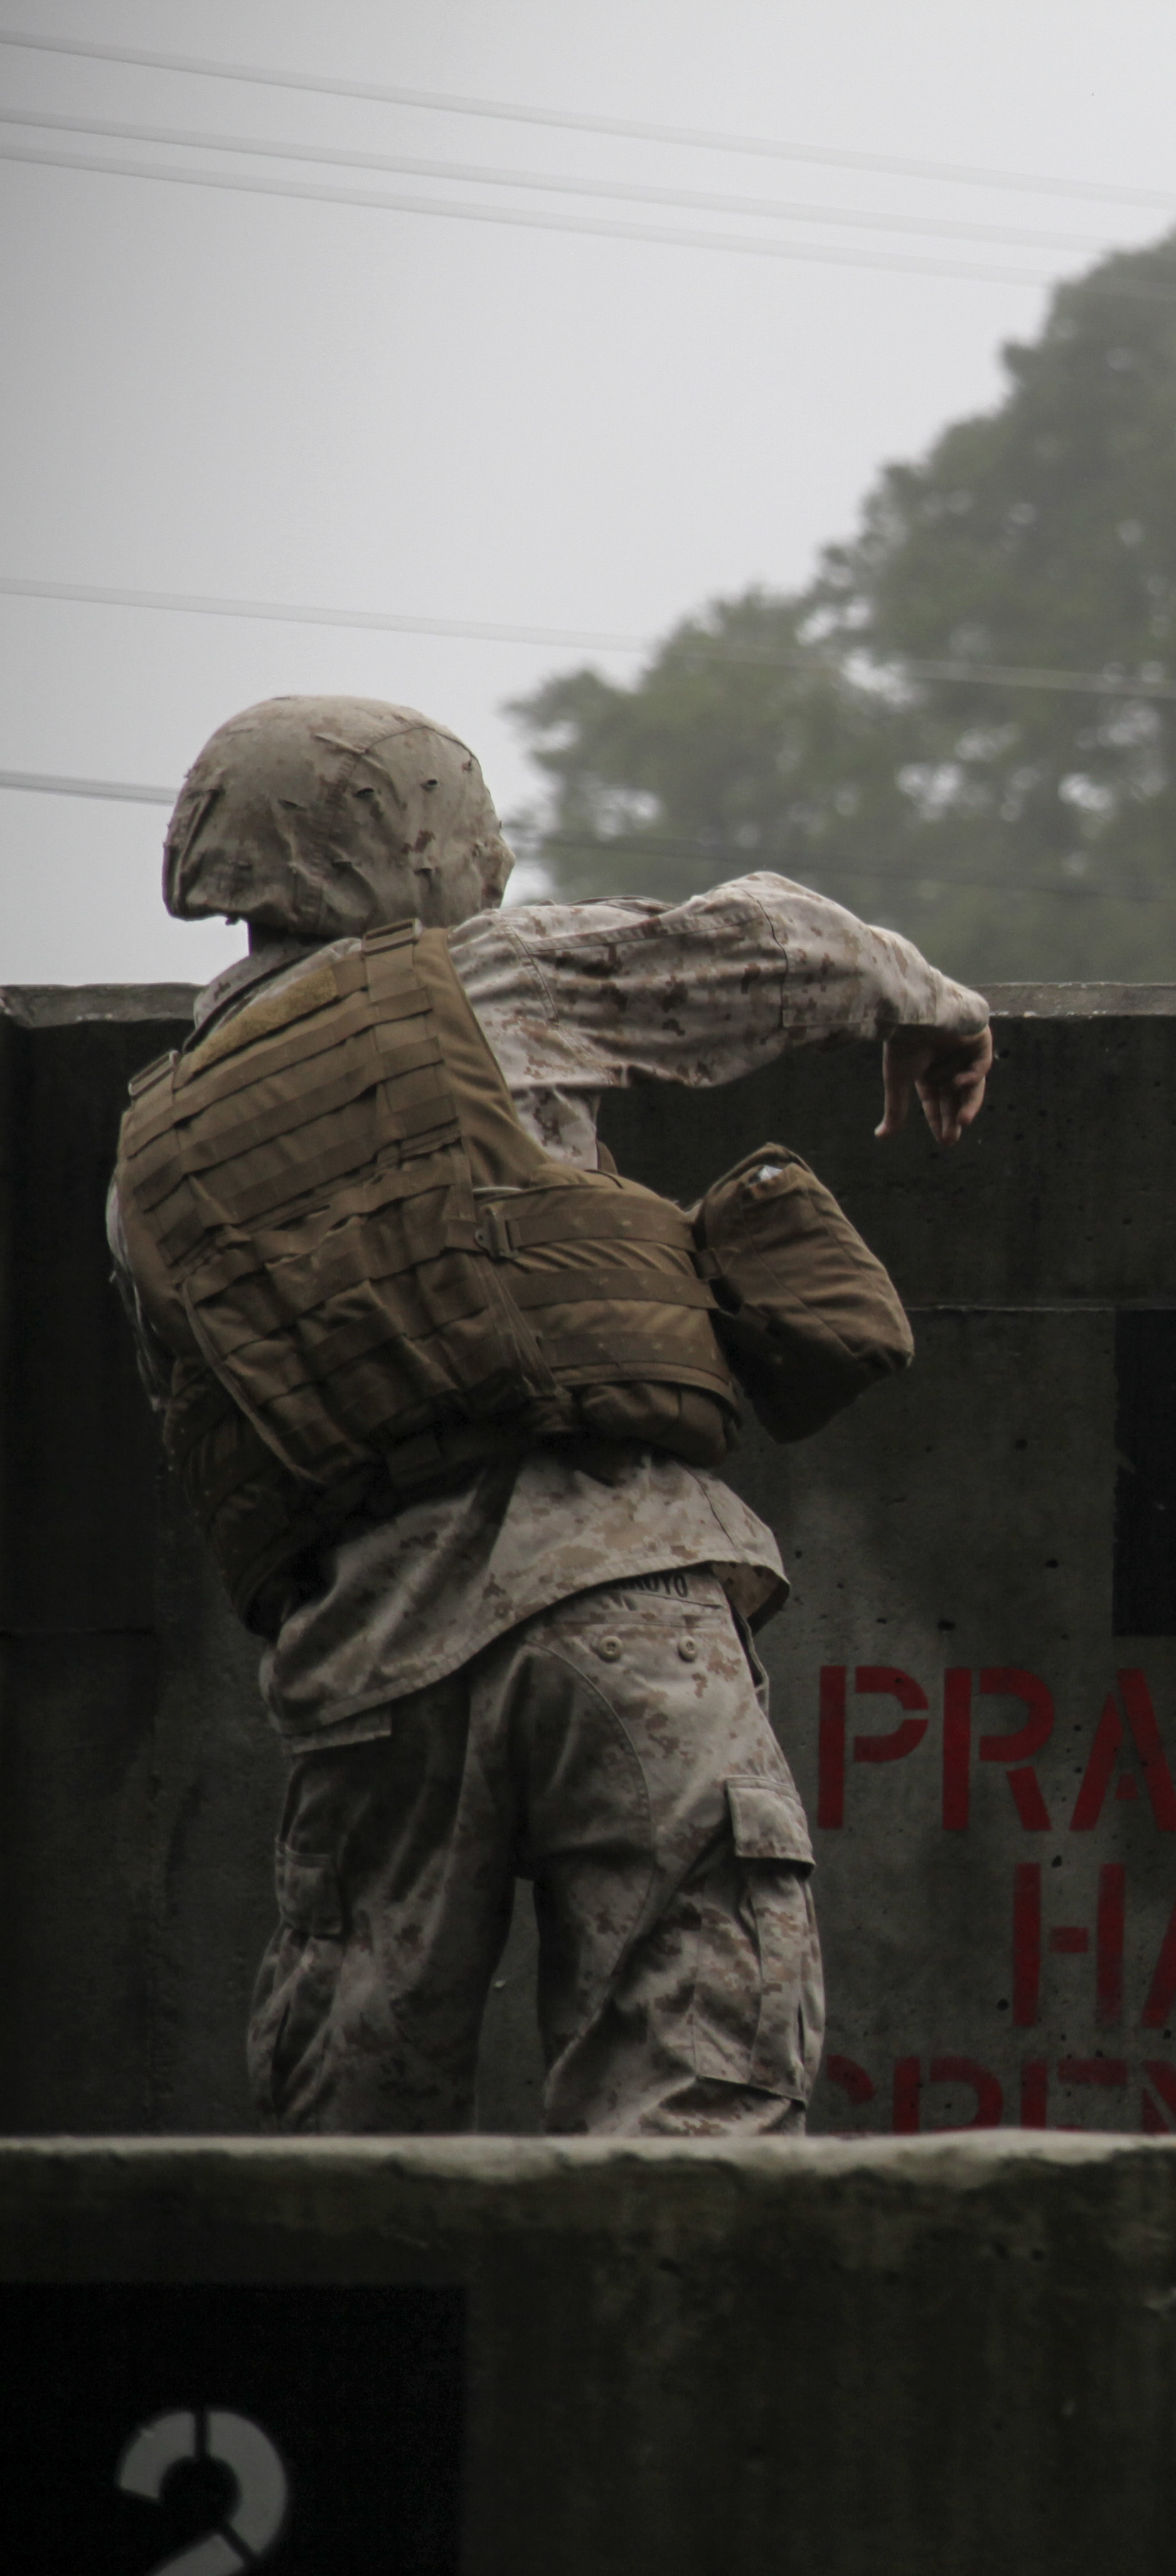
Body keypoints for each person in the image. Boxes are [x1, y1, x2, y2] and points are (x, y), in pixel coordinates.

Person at [107, 695, 995, 2136]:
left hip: (364, 1668)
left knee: (356, 2153)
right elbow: (772, 942)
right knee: (696, 2086)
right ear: (405, 844)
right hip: (617, 1597)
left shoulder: (147, 1151)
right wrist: (928, 1000)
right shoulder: (479, 980)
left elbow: (222, 1443)